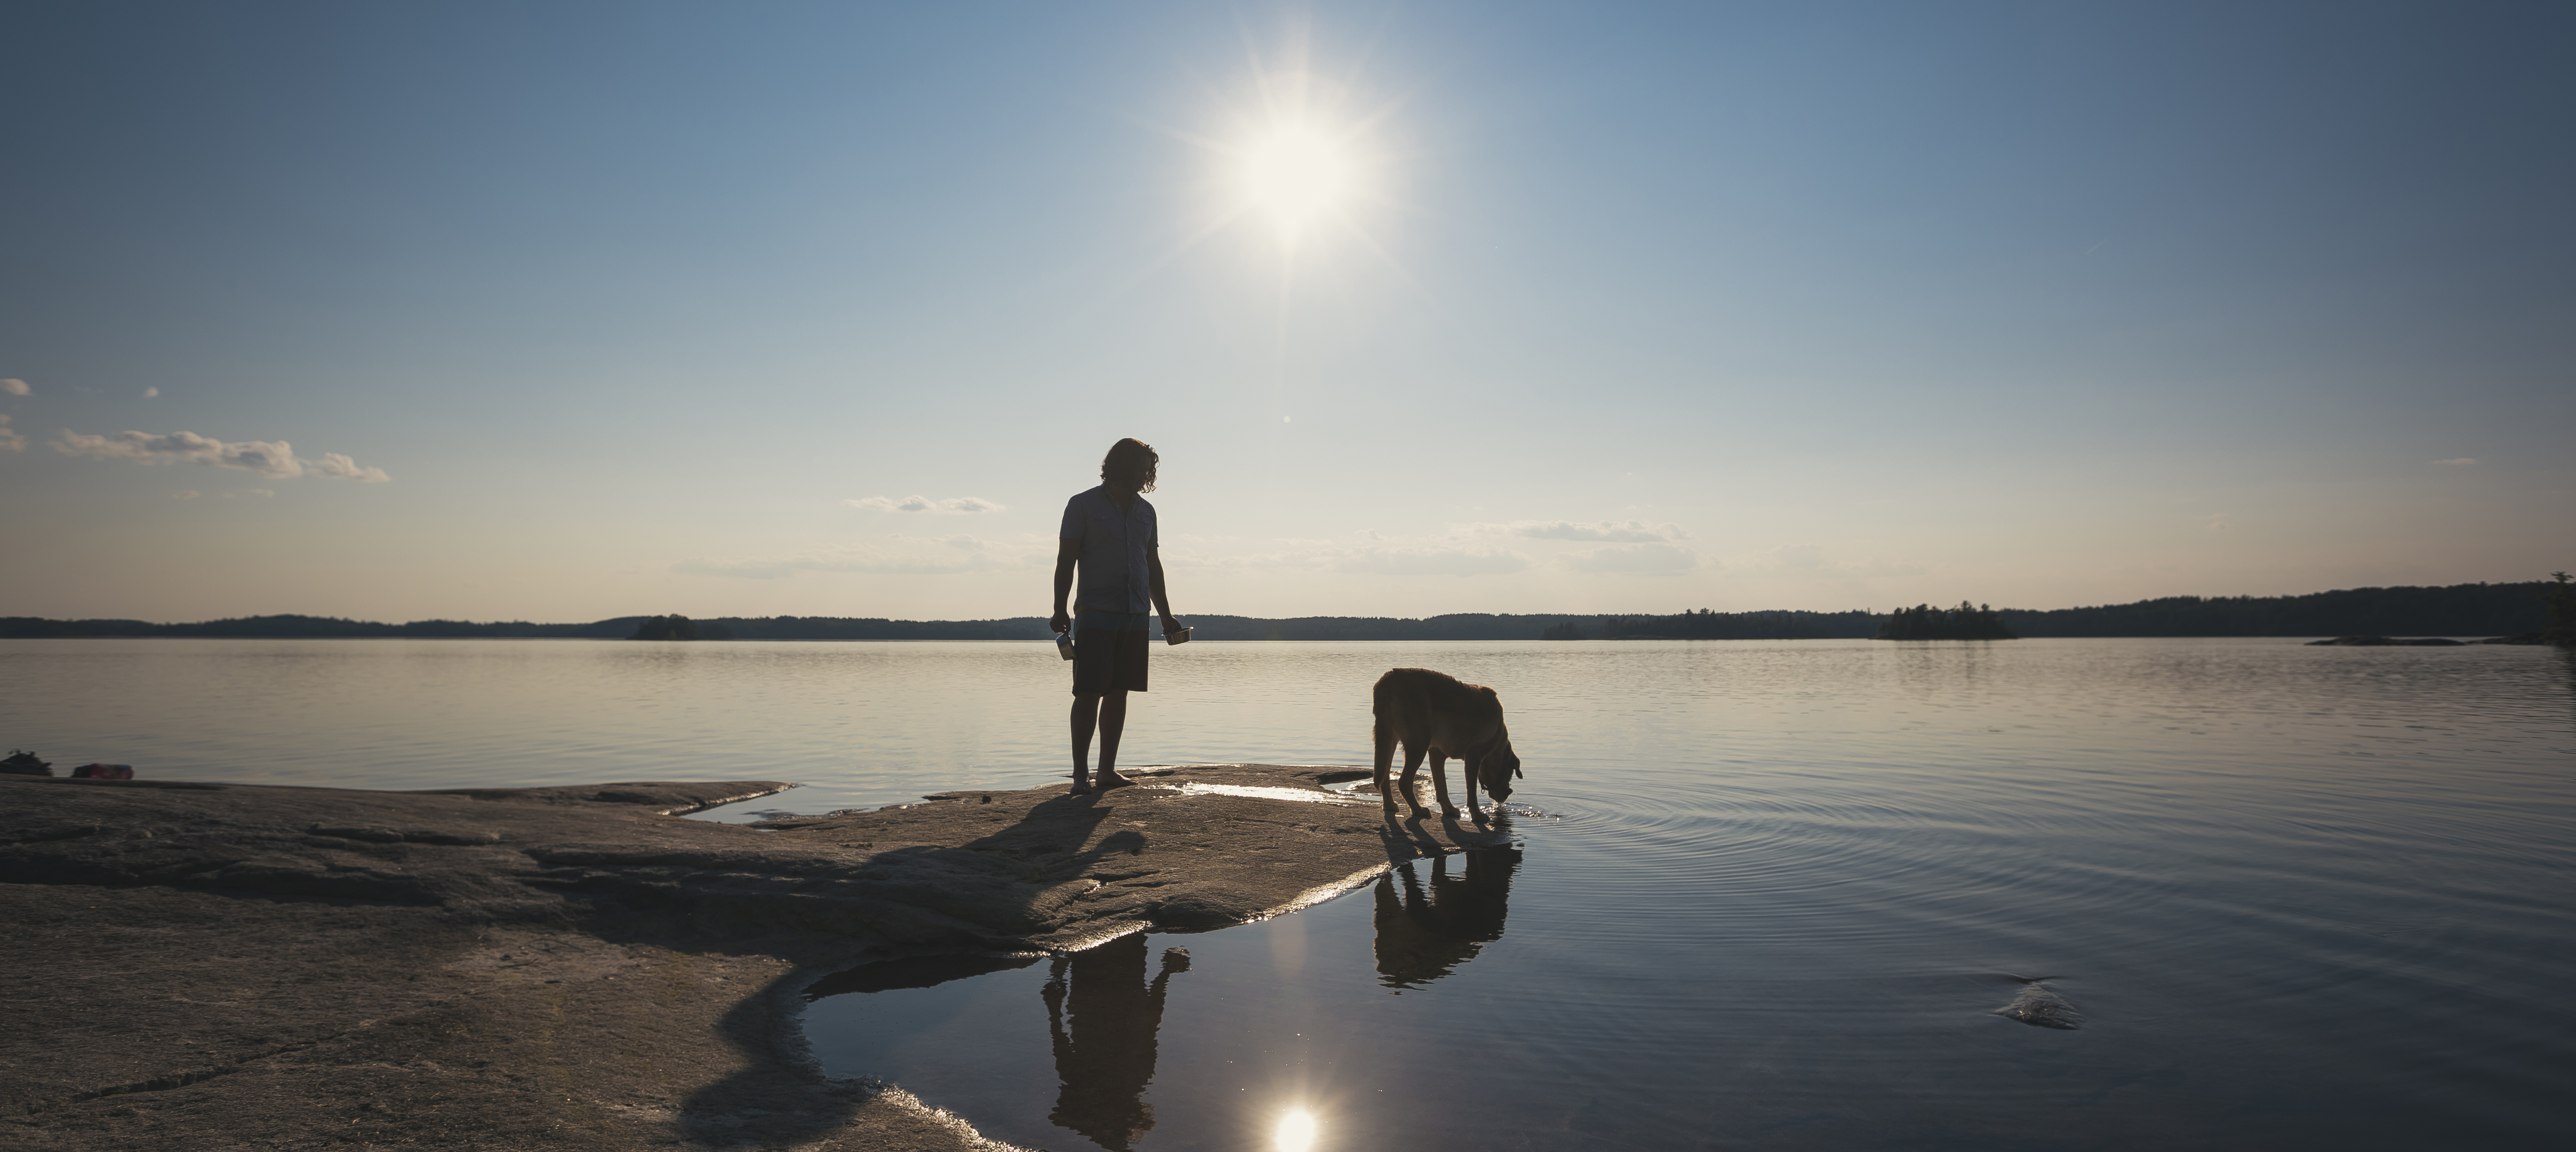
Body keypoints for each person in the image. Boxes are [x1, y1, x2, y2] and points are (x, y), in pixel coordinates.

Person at [1052, 438, 1182, 794]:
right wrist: (1059, 608)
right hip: (1095, 611)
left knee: (1119, 691)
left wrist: (1166, 615)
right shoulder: (1082, 505)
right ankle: (1081, 777)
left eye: (1149, 468)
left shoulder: (1147, 512)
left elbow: (1151, 564)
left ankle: (1106, 770)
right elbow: (1066, 561)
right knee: (1089, 691)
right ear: (1123, 465)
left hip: (1136, 612)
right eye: (1143, 466)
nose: (1147, 473)